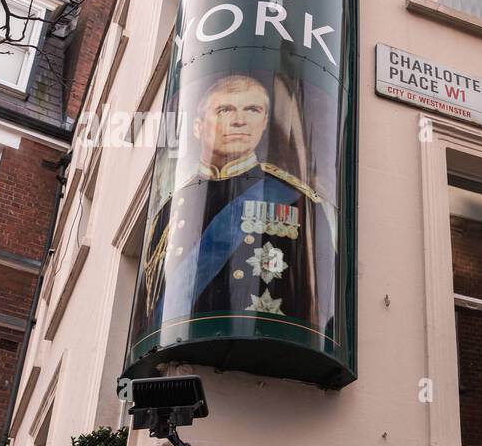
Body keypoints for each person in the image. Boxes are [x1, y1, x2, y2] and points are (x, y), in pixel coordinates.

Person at [135, 73, 336, 344]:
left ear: (264, 122)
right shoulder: (170, 209)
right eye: (225, 109)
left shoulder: (296, 198)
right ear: (198, 127)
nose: (240, 120)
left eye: (253, 110)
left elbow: (322, 296)